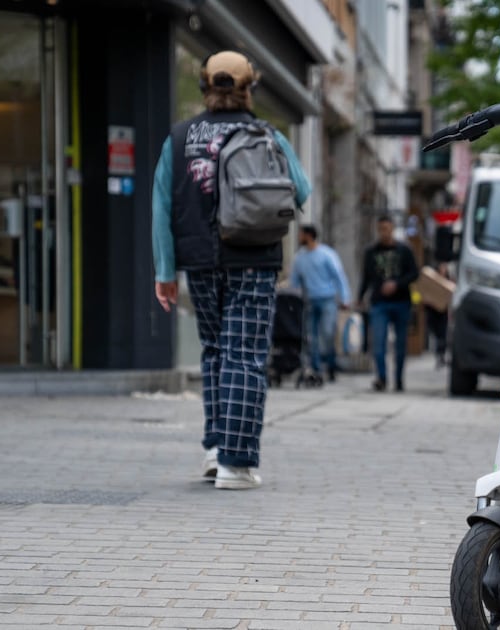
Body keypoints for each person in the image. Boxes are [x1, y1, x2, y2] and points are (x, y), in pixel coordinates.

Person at [151, 51, 310, 490]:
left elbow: (161, 205)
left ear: (204, 86)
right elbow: (301, 189)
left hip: (199, 262)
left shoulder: (179, 138)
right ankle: (235, 464)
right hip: (254, 258)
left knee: (215, 351)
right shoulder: (266, 134)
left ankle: (214, 448)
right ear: (249, 88)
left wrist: (165, 271)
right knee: (245, 355)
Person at [358, 214, 418, 392]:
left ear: (392, 229)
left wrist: (397, 284)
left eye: (387, 229)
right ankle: (382, 378)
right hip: (379, 303)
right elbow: (366, 277)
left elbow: (414, 273)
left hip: (401, 302)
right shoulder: (371, 252)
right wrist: (360, 297)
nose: (384, 233)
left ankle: (398, 379)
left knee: (400, 345)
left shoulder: (404, 250)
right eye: (381, 229)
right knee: (378, 342)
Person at [289, 225, 351, 382]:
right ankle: (316, 369)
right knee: (311, 337)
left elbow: (339, 276)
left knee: (328, 333)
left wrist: (345, 298)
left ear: (309, 236)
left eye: (301, 234)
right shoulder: (299, 258)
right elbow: (294, 281)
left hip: (327, 299)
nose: (299, 237)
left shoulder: (326, 254)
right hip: (309, 301)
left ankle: (331, 364)